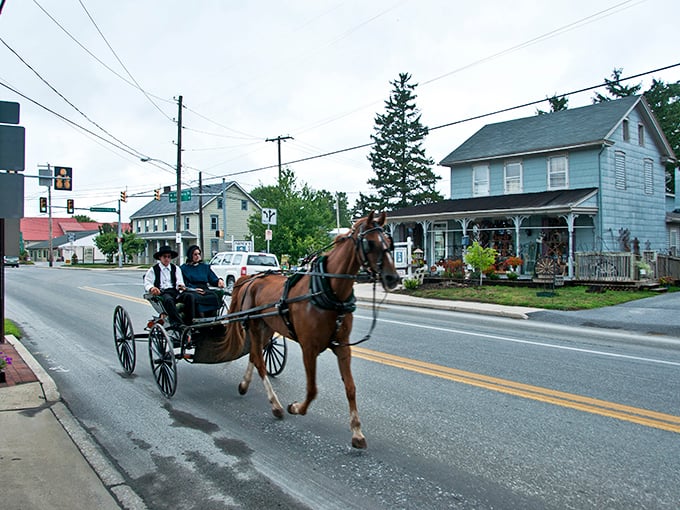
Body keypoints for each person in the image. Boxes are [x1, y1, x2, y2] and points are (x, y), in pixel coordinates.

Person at [143, 245, 194, 325]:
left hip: (174, 291)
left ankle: (190, 321)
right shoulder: (153, 270)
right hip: (162, 293)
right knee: (169, 300)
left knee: (189, 296)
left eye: (169, 257)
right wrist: (152, 288)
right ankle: (178, 323)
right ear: (160, 257)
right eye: (164, 257)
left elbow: (179, 282)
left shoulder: (176, 268)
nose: (167, 259)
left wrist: (180, 286)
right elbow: (147, 282)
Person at [180, 245, 225, 319]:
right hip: (192, 290)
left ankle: (213, 318)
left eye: (198, 254)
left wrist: (219, 281)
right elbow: (184, 283)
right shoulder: (184, 268)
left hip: (204, 289)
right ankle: (200, 319)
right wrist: (194, 289)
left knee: (214, 296)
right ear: (190, 255)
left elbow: (212, 278)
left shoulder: (205, 267)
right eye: (195, 254)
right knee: (196, 298)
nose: (197, 256)